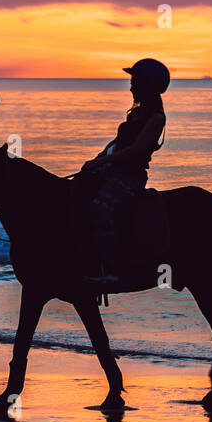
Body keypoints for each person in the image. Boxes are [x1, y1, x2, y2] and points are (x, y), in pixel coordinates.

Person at [78, 59, 169, 275]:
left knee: (100, 208)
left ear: (149, 85)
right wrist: (98, 159)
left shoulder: (156, 118)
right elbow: (118, 144)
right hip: (113, 171)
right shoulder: (136, 114)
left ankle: (111, 267)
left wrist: (102, 162)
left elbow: (136, 150)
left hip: (130, 177)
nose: (130, 86)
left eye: (135, 81)